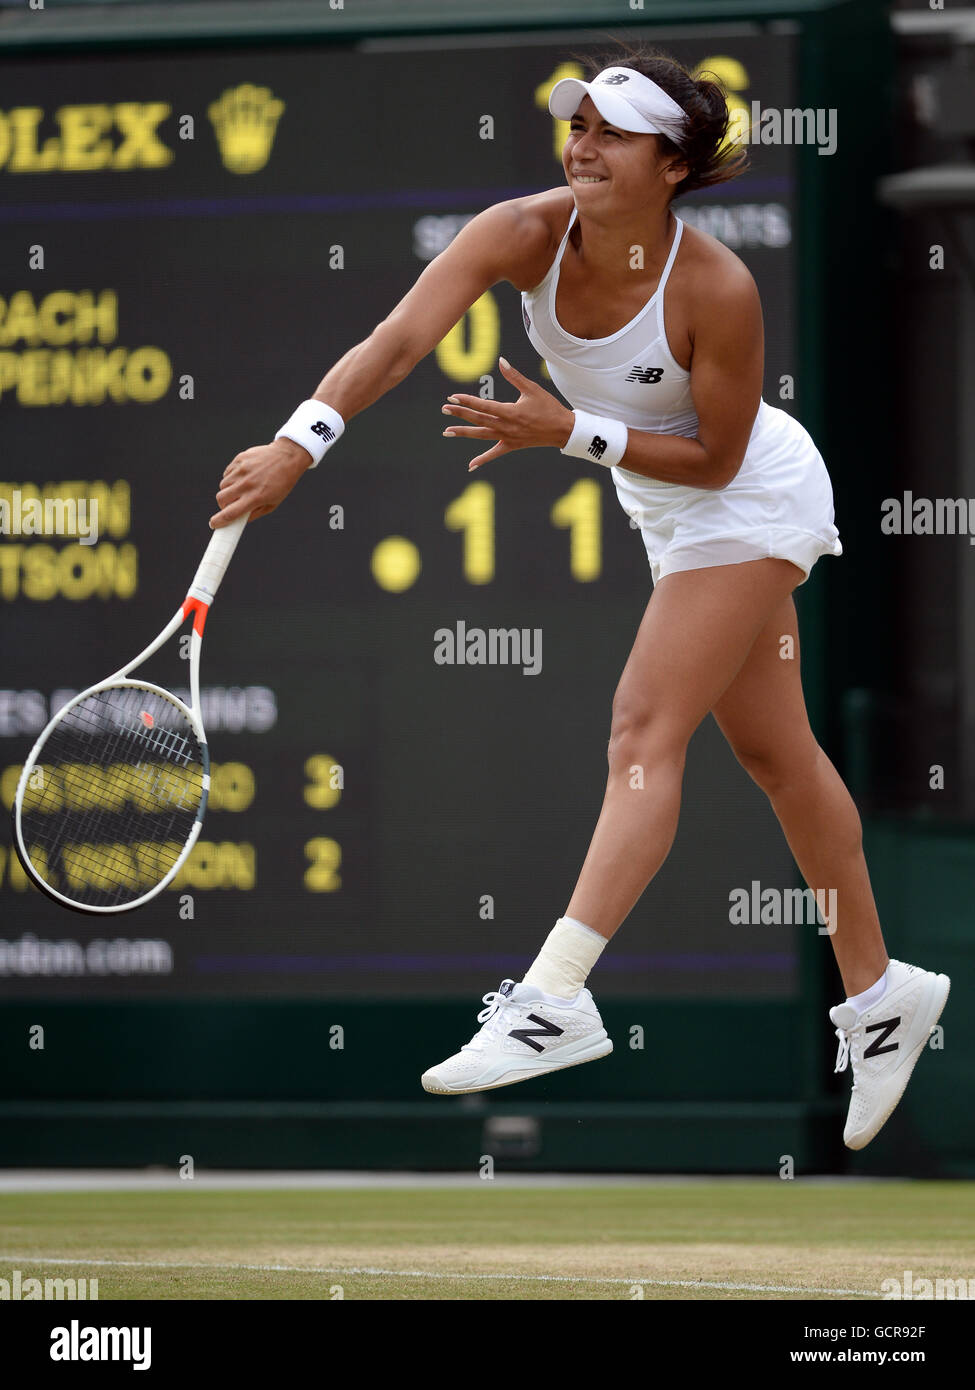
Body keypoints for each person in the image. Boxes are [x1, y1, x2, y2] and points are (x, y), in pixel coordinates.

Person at [211, 48, 949, 1150]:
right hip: (667, 510)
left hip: (749, 493)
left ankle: (556, 996)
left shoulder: (717, 290)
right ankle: (881, 993)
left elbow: (715, 461)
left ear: (670, 163)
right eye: (577, 126)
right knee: (779, 756)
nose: (582, 146)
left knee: (642, 730)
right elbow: (399, 340)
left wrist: (571, 432)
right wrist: (295, 446)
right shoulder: (519, 231)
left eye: (611, 131)